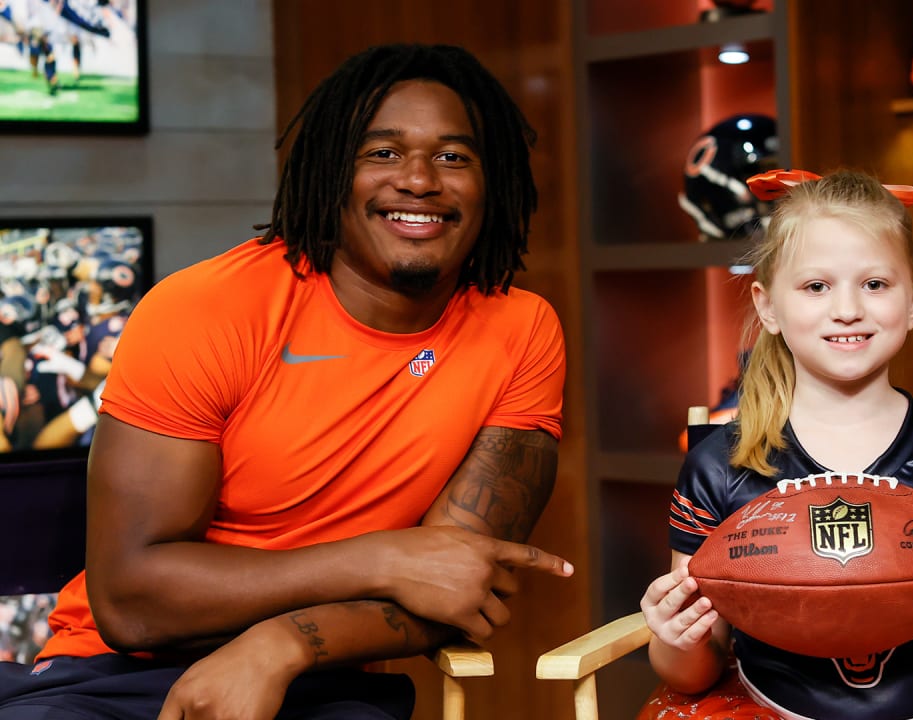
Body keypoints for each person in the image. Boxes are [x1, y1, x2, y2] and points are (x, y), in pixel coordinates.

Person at [0, 42, 573, 720]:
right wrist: (383, 560)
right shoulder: (206, 309)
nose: (419, 180)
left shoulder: (521, 330)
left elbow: (455, 581)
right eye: (382, 152)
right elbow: (131, 602)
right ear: (332, 172)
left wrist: (281, 646)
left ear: (493, 180)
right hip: (116, 674)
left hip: (326, 673)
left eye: (453, 156)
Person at [640, 169, 913, 719]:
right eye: (816, 286)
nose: (847, 309)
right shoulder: (721, 464)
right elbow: (695, 671)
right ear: (767, 306)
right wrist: (673, 638)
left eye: (875, 284)